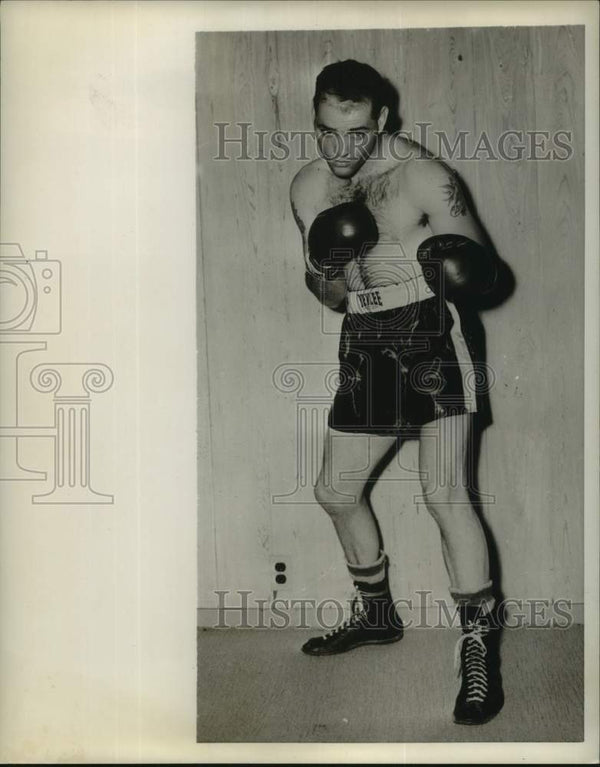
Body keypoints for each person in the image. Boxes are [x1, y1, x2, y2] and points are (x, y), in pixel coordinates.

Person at [289, 59, 504, 726]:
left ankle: (479, 646)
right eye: (328, 131)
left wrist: (457, 270)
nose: (342, 148)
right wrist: (325, 269)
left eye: (356, 132)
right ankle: (377, 613)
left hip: (431, 329)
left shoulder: (423, 174)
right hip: (365, 336)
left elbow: (484, 271)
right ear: (317, 121)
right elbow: (328, 292)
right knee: (335, 489)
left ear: (380, 120)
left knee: (444, 492)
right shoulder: (306, 187)